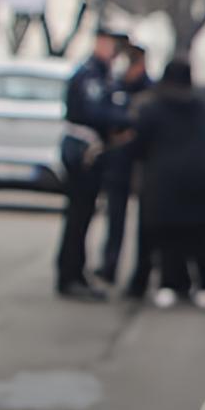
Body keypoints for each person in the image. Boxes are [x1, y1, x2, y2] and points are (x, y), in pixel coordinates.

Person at [129, 58, 205, 308]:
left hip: (162, 181)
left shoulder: (153, 108)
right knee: (199, 236)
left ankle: (169, 284)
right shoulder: (201, 108)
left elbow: (138, 144)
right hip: (200, 181)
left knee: (168, 235)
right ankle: (202, 286)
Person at [54, 29, 129, 300]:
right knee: (77, 216)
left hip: (92, 152)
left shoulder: (103, 74)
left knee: (84, 215)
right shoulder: (89, 75)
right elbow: (95, 110)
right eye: (110, 45)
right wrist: (125, 118)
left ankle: (75, 270)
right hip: (82, 152)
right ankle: (69, 274)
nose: (114, 52)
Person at [97, 42, 149, 290]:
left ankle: (141, 275)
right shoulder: (117, 86)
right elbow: (107, 116)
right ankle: (109, 266)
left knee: (145, 224)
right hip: (118, 163)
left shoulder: (149, 91)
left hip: (142, 166)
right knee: (114, 218)